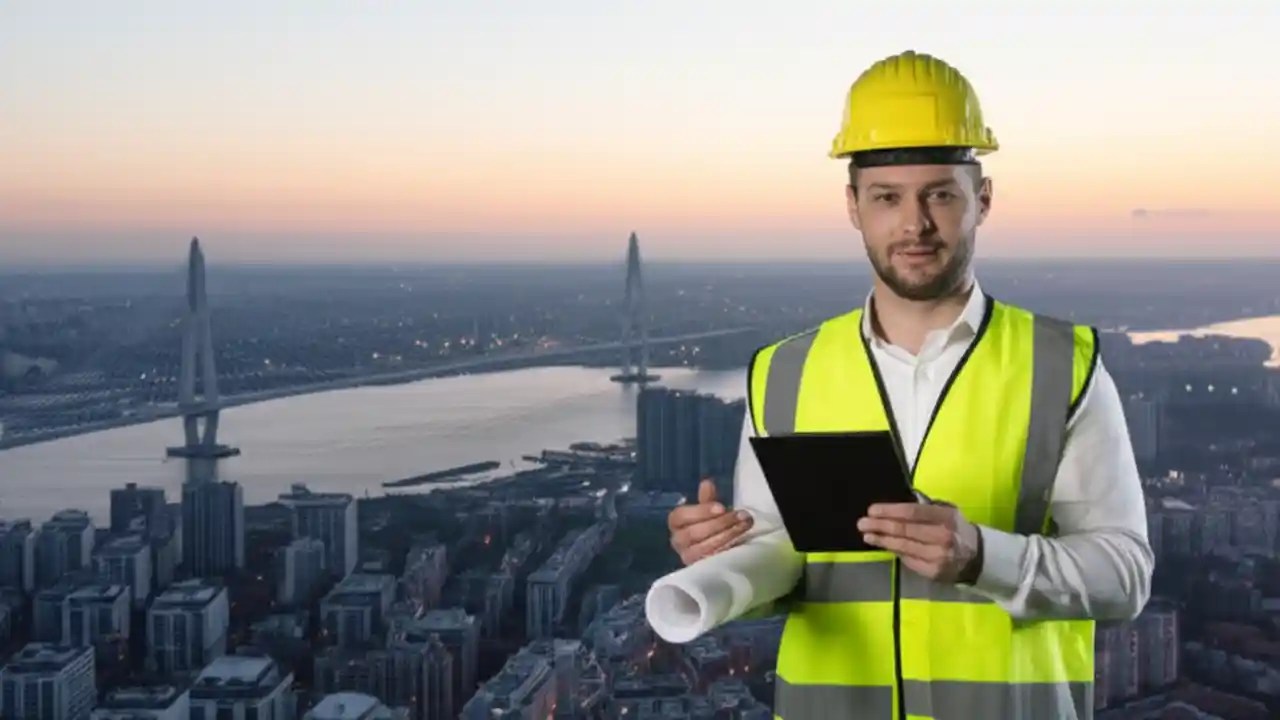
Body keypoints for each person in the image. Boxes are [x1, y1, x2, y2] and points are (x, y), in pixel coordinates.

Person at [654, 50, 1153, 720]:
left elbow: (1125, 576)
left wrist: (983, 555)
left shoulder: (1061, 366)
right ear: (853, 207)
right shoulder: (784, 373)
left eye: (939, 194)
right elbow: (784, 562)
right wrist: (721, 559)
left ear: (983, 199)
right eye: (887, 197)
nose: (914, 224)